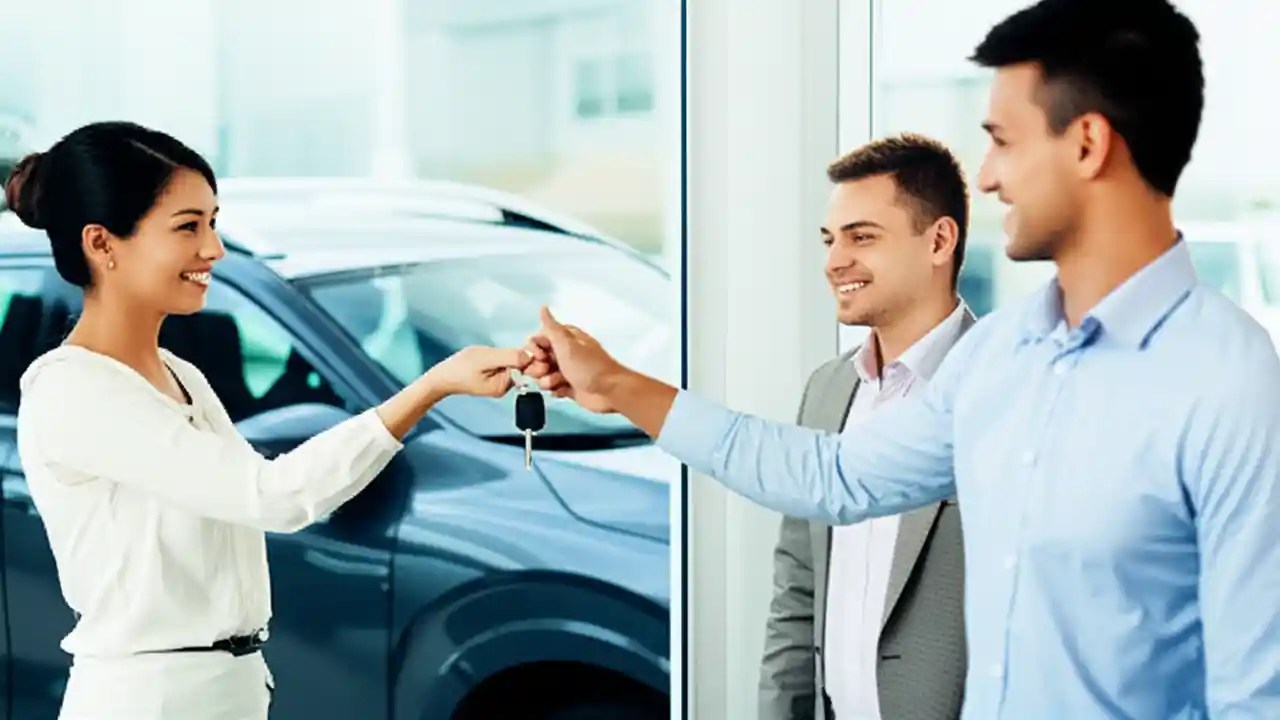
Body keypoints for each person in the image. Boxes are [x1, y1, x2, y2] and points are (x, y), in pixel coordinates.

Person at [523, 0, 1280, 717]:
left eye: (1004, 140)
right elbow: (834, 477)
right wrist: (618, 385)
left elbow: (1256, 691)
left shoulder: (1228, 381)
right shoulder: (1003, 356)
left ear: (1087, 144)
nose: (987, 175)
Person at [4, 120, 532, 720]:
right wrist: (431, 387)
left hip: (224, 690)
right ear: (102, 244)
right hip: (149, 701)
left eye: (213, 222)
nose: (214, 249)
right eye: (188, 226)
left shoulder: (181, 374)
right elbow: (274, 496)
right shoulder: (75, 390)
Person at [760, 134, 972, 720]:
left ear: (939, 241)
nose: (834, 261)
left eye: (862, 237)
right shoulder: (826, 392)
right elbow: (798, 589)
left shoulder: (1006, 388)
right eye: (830, 239)